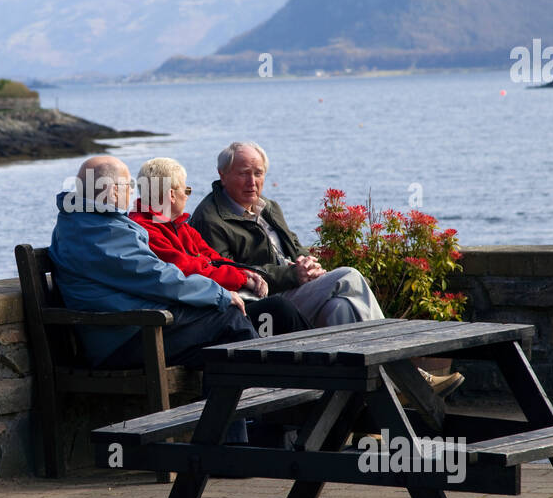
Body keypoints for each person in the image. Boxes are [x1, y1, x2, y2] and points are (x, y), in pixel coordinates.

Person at [189, 141, 463, 396]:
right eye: (243, 173)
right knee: (349, 276)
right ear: (222, 175)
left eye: (258, 173)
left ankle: (356, 410)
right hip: (268, 304)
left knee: (341, 309)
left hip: (296, 288)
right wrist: (292, 274)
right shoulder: (210, 218)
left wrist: (307, 262)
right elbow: (228, 274)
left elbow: (294, 246)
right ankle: (407, 374)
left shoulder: (268, 207)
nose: (252, 181)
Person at [48, 154, 257, 371]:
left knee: (219, 343)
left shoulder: (82, 222)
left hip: (128, 329)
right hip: (125, 339)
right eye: (128, 185)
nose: (132, 191)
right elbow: (157, 278)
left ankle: (225, 403)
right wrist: (218, 293)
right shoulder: (101, 232)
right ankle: (261, 397)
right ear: (113, 191)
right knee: (230, 321)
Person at [128, 157, 307, 337]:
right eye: (186, 190)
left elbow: (213, 258)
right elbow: (188, 271)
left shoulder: (179, 226)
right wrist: (243, 280)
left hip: (207, 305)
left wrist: (247, 273)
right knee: (279, 310)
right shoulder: (147, 231)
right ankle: (316, 362)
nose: (187, 196)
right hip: (189, 318)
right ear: (172, 195)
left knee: (278, 310)